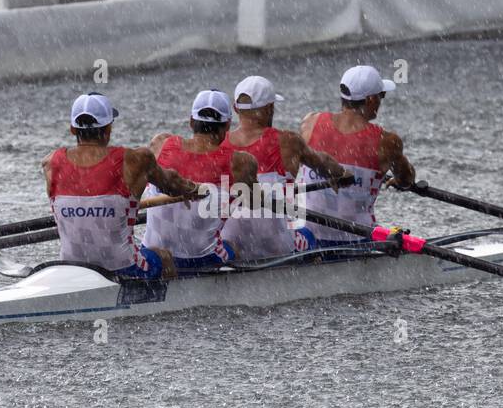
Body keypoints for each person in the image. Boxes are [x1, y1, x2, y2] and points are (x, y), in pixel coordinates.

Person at [43, 92, 201, 279]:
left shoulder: (51, 163)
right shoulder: (136, 160)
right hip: (123, 266)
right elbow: (170, 184)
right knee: (164, 256)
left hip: (73, 266)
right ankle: (170, 305)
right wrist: (191, 189)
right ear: (109, 128)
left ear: (72, 129)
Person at [224, 74, 348, 259]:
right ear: (269, 108)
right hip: (276, 244)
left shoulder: (218, 145)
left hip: (230, 242)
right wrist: (341, 173)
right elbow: (322, 164)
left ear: (235, 108)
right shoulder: (288, 141)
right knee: (309, 235)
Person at [297, 65, 416, 246]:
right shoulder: (387, 141)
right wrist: (399, 180)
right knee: (396, 236)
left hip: (310, 237)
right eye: (381, 95)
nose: (381, 101)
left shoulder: (310, 123)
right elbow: (407, 180)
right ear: (370, 100)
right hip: (358, 239)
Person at [143, 89, 258, 270]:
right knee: (235, 245)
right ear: (227, 126)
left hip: (153, 253)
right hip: (200, 260)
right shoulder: (242, 162)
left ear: (191, 121)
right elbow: (255, 204)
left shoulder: (160, 144)